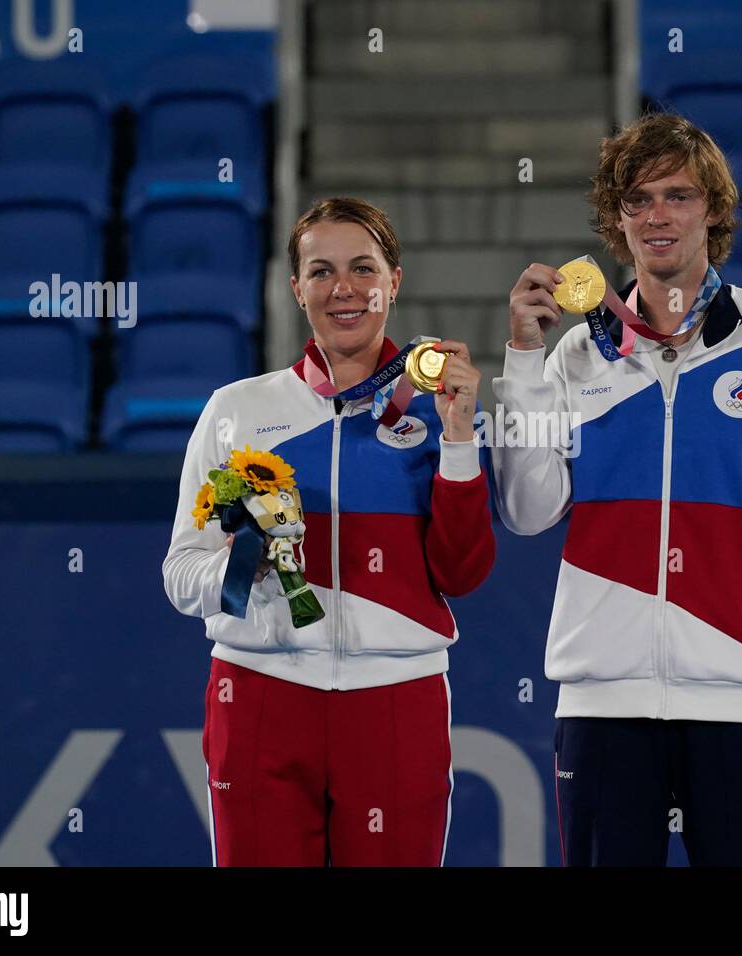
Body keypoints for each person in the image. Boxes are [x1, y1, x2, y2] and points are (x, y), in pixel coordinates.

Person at [492, 112, 742, 866]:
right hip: (602, 699)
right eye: (637, 200)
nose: (657, 216)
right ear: (616, 220)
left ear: (713, 209)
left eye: (678, 195)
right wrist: (522, 361)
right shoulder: (578, 354)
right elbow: (528, 510)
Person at [163, 197, 495, 866]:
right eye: (321, 271)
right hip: (258, 695)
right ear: (296, 289)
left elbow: (462, 574)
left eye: (362, 268)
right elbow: (182, 574)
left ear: (393, 282)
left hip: (397, 700)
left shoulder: (437, 411)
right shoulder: (238, 413)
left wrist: (459, 439)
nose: (343, 288)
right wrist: (242, 570)